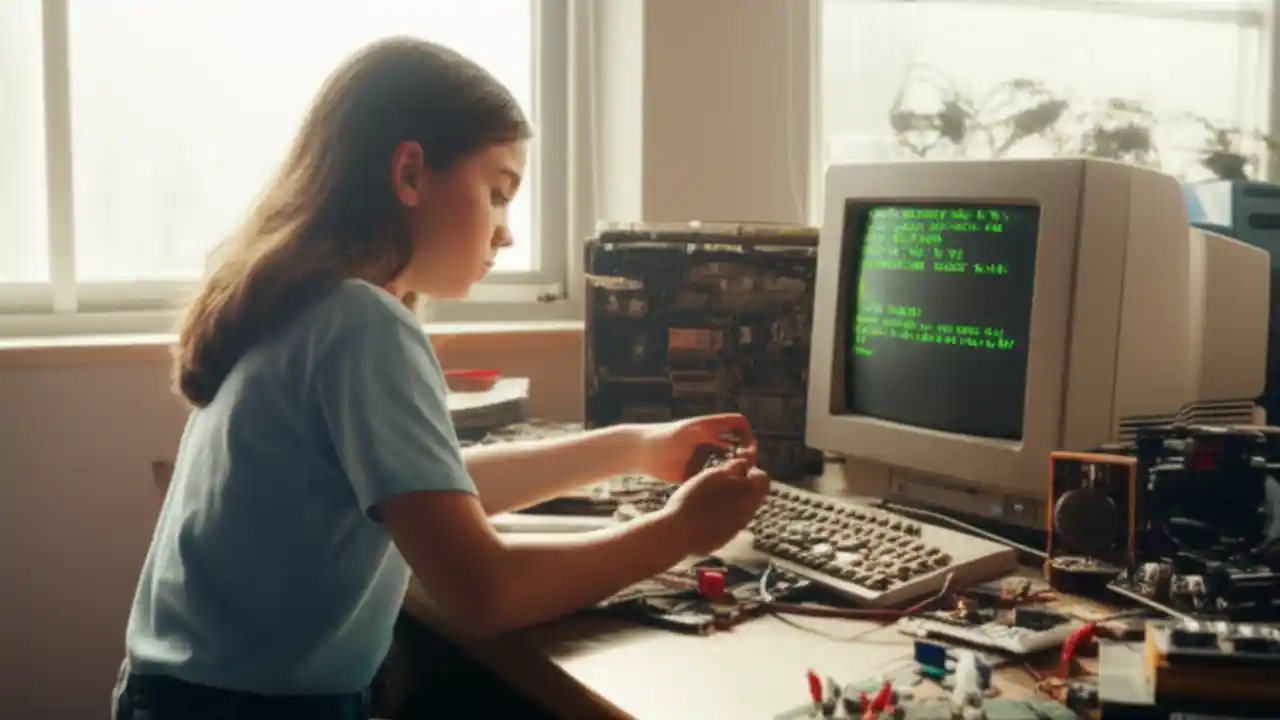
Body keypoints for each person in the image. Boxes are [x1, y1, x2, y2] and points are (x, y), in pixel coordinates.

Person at [112, 36, 769, 720]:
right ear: (410, 174)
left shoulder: (301, 303)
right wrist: (679, 531)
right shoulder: (362, 323)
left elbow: (431, 492)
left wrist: (631, 447)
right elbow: (487, 592)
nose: (506, 233)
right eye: (498, 194)